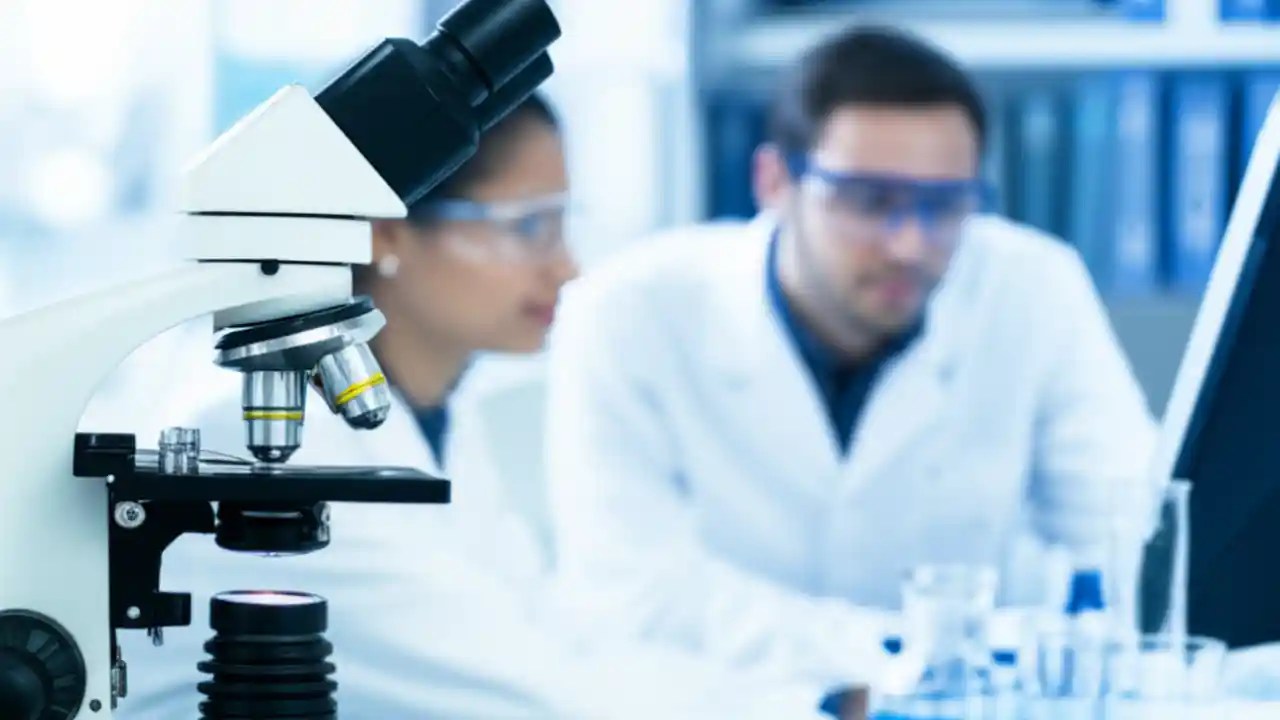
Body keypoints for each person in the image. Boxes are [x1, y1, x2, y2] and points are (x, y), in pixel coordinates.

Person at [118, 95, 834, 719]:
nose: (567, 266)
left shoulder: (436, 415)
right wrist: (816, 707)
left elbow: (556, 637)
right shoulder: (272, 444)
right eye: (530, 227)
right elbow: (541, 695)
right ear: (386, 233)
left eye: (562, 224)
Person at [544, 27, 1160, 689]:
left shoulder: (1034, 285)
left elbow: (1131, 540)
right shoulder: (628, 309)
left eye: (946, 205)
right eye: (870, 202)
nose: (909, 244)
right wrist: (916, 652)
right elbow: (634, 595)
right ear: (775, 181)